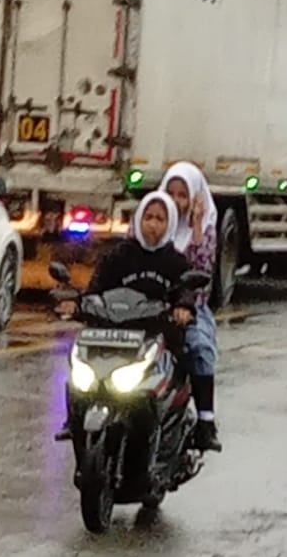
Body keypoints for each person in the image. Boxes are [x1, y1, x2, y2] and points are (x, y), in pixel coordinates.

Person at [54, 192, 197, 440]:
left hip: (155, 332)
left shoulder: (176, 261)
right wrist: (76, 304)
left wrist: (182, 308)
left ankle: (186, 421)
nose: (153, 224)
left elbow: (185, 290)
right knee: (78, 364)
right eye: (148, 217)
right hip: (113, 332)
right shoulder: (118, 255)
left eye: (160, 219)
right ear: (139, 219)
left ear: (170, 223)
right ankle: (73, 418)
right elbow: (95, 289)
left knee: (191, 355)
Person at [160, 162, 223, 453]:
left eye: (182, 195)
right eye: (170, 193)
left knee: (200, 349)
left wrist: (196, 225)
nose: (175, 201)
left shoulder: (205, 229)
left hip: (190, 309)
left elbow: (202, 271)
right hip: (148, 308)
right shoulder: (152, 222)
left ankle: (206, 421)